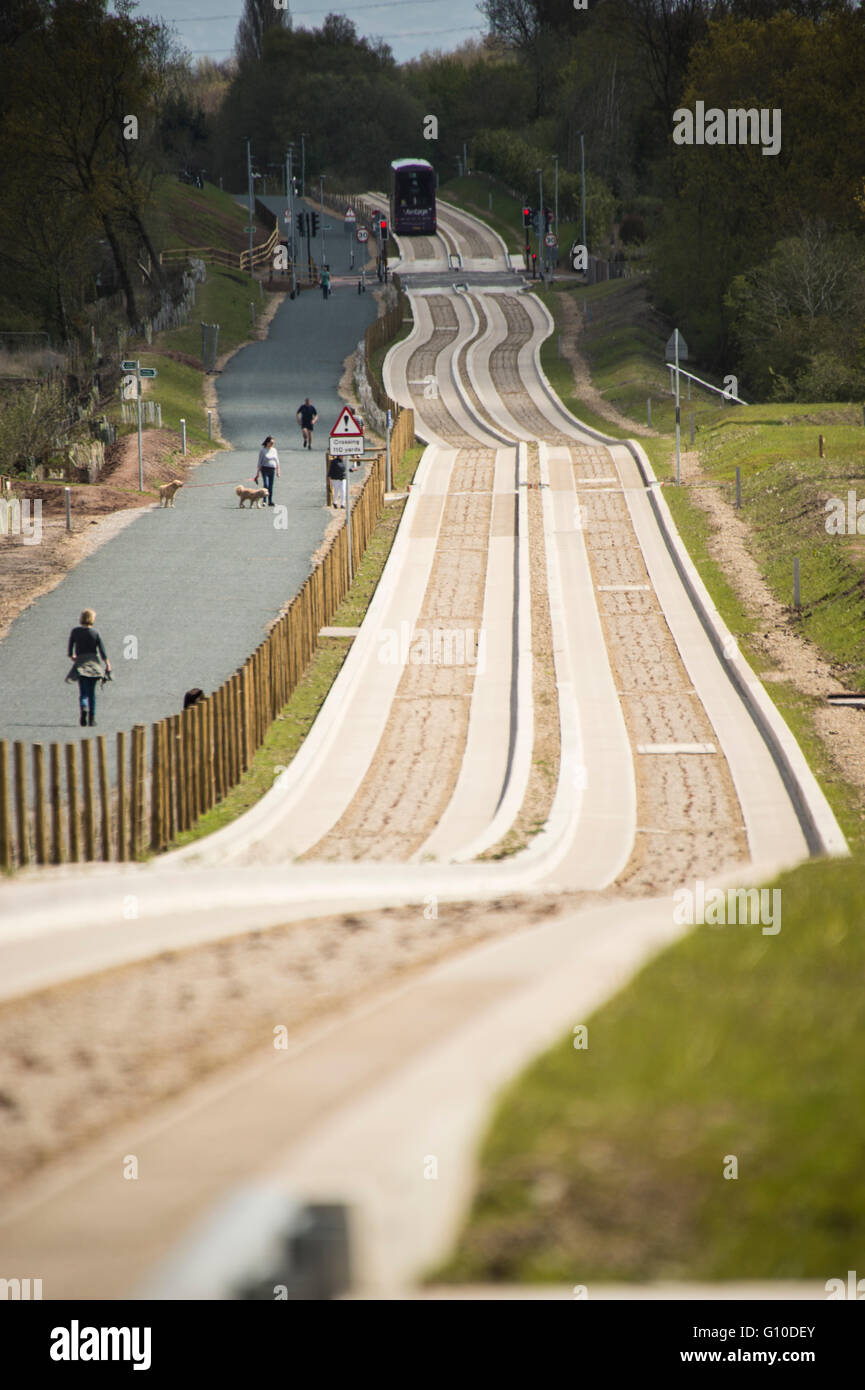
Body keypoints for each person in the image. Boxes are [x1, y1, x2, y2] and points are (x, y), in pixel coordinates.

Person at [67, 608, 111, 727]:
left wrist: (73, 656)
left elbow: (70, 649)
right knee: (92, 693)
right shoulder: (95, 633)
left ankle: (84, 708)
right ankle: (92, 719)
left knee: (83, 692)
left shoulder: (75, 632)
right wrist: (108, 664)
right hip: (94, 665)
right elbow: (102, 651)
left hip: (81, 664)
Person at [255, 434, 280, 506]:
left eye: (273, 443)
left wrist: (278, 471)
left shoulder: (274, 450)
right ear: (267, 442)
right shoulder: (263, 450)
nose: (272, 444)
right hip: (265, 469)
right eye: (271, 443)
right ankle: (264, 500)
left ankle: (270, 501)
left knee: (271, 486)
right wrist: (257, 473)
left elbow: (277, 461)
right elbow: (259, 462)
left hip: (272, 469)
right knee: (266, 484)